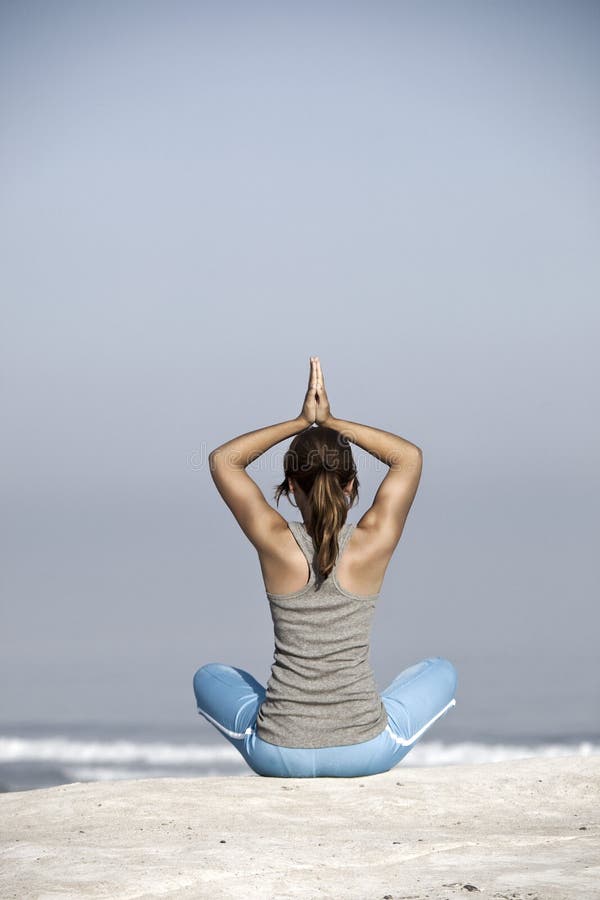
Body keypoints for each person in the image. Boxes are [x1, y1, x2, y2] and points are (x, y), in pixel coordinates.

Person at [193, 356, 457, 777]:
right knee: (440, 671)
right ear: (352, 484)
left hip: (278, 752)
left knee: (209, 676)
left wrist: (301, 422)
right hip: (364, 751)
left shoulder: (275, 542)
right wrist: (332, 422)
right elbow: (408, 457)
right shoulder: (373, 541)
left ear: (291, 487)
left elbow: (224, 460)